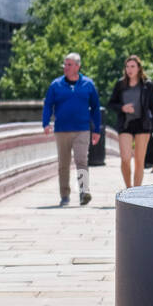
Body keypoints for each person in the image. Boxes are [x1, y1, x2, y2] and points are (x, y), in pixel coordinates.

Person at [42, 52, 102, 206]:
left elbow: (95, 107)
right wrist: (46, 122)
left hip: (82, 129)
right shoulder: (56, 85)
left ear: (78, 66)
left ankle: (84, 192)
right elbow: (48, 104)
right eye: (65, 64)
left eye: (69, 64)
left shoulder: (88, 84)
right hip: (62, 129)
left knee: (82, 160)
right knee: (64, 164)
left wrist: (97, 129)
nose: (65, 67)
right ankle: (64, 195)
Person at [105, 55, 153, 189]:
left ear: (138, 68)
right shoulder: (120, 84)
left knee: (139, 161)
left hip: (142, 125)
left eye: (132, 66)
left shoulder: (147, 85)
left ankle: (135, 192)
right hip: (125, 124)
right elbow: (111, 103)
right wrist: (122, 108)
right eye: (127, 66)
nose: (129, 69)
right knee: (125, 159)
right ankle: (128, 188)